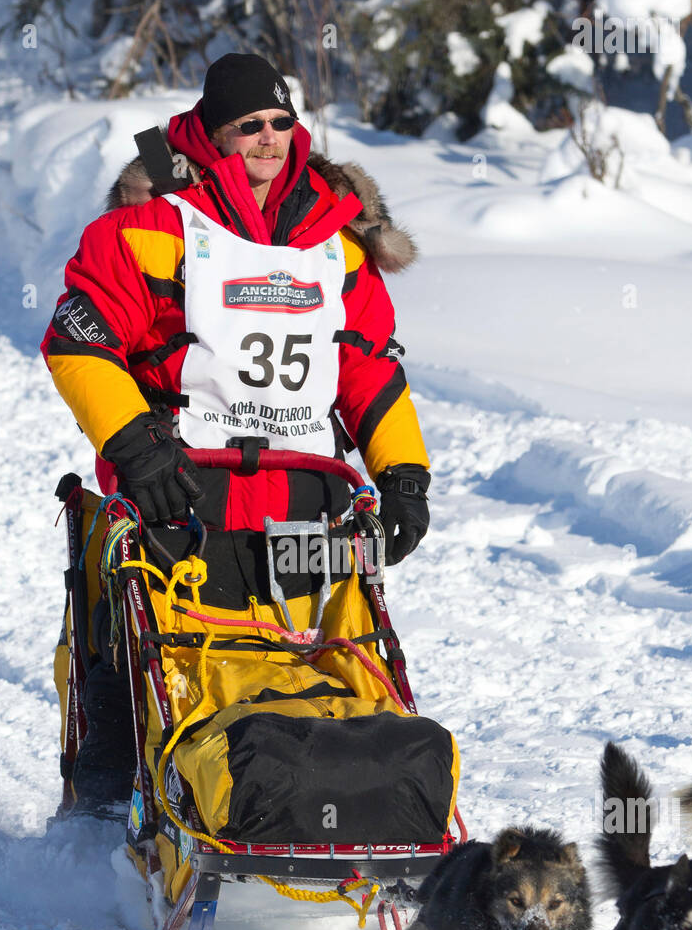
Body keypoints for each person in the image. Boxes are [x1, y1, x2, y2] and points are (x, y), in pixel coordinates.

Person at [42, 52, 431, 811]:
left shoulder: (338, 241)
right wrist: (134, 446)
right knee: (153, 661)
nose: (267, 139)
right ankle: (102, 819)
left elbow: (368, 369)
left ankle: (327, 808)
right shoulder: (152, 226)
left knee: (319, 667)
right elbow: (78, 336)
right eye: (247, 125)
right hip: (179, 494)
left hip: (304, 499)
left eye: (281, 123)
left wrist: (404, 477)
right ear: (210, 134)